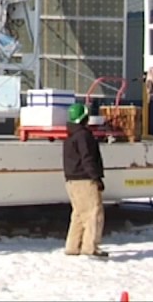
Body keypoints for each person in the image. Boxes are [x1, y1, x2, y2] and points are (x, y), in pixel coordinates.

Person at [62, 102, 108, 257]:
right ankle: (90, 248)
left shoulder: (71, 135)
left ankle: (73, 247)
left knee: (79, 214)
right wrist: (96, 178)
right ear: (84, 118)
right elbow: (87, 158)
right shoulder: (84, 136)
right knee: (93, 213)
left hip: (71, 180)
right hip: (84, 179)